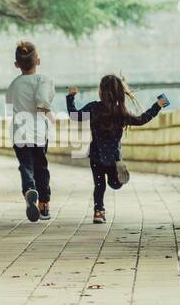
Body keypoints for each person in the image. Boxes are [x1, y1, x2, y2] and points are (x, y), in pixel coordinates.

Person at [66, 75, 167, 224]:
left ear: (101, 92)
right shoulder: (121, 113)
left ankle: (98, 212)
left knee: (99, 186)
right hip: (114, 158)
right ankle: (100, 209)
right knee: (115, 184)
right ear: (119, 92)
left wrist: (70, 97)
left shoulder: (93, 107)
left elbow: (75, 116)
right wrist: (157, 106)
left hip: (96, 156)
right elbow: (141, 119)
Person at [6, 40, 55, 221]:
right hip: (38, 132)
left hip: (19, 132)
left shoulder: (14, 85)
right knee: (41, 167)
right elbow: (43, 102)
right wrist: (50, 116)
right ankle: (44, 206)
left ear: (17, 64)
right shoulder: (44, 79)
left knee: (25, 165)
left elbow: (8, 108)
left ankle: (29, 189)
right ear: (38, 61)